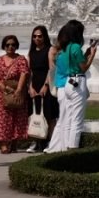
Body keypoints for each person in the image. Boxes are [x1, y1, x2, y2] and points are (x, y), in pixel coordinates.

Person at [44, 20, 99, 153]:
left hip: (68, 82)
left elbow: (76, 63)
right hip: (77, 82)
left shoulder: (65, 49)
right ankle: (72, 147)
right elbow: (83, 68)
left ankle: (65, 146)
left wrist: (86, 54)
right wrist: (93, 55)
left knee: (67, 118)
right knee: (77, 119)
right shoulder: (75, 47)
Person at [0, 34, 30, 153]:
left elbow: (24, 73)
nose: (10, 47)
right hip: (2, 92)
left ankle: (14, 143)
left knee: (17, 116)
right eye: (7, 45)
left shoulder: (21, 59)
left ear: (16, 46)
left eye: (13, 44)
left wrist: (19, 90)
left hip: (17, 91)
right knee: (3, 118)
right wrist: (1, 86)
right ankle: (3, 144)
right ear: (4, 46)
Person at [25, 24, 60, 153]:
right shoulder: (31, 52)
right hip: (34, 85)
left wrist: (46, 85)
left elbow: (51, 69)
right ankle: (36, 141)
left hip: (47, 84)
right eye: (34, 36)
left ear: (44, 37)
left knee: (49, 114)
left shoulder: (50, 50)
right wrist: (30, 87)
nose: (37, 38)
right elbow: (29, 72)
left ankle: (50, 141)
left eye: (39, 36)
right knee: (34, 114)